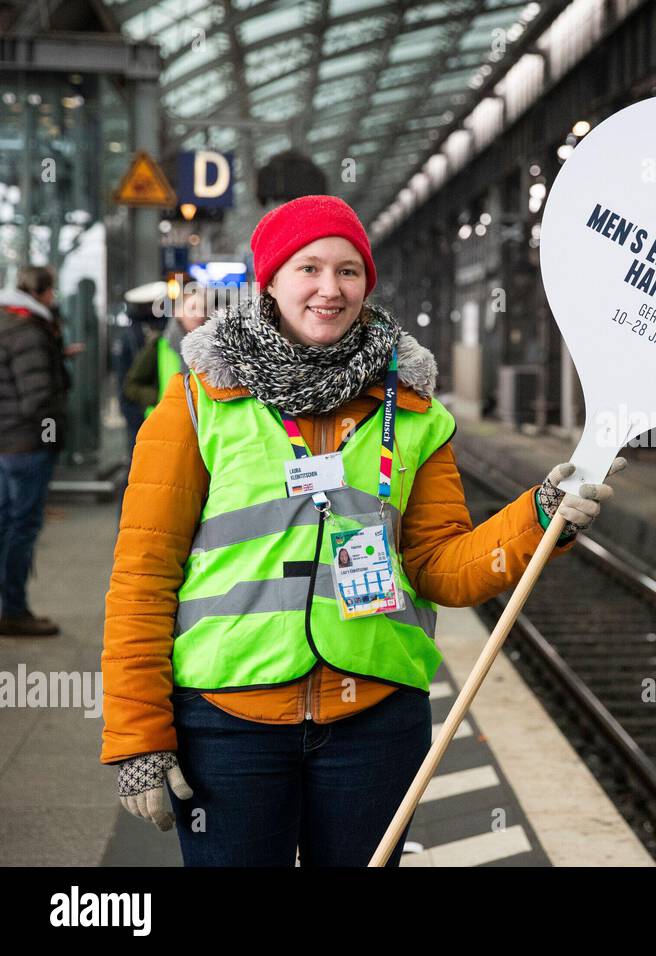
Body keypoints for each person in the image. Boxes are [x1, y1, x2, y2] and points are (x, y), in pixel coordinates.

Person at [101, 195, 625, 866]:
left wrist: (539, 516)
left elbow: (441, 567)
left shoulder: (411, 410)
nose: (330, 288)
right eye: (308, 268)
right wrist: (139, 734)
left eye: (349, 271)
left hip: (375, 724)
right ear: (271, 281)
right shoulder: (201, 401)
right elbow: (143, 573)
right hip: (227, 727)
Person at [0, 266, 71, 636]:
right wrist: (49, 443)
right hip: (27, 445)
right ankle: (13, 609)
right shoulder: (29, 329)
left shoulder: (6, 322)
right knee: (23, 526)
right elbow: (39, 399)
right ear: (41, 292)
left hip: (6, 444)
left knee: (5, 523)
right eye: (52, 292)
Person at [124, 286, 208, 415]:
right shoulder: (159, 344)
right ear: (178, 312)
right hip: (165, 422)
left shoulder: (212, 347)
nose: (199, 314)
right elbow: (131, 385)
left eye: (203, 309)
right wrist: (160, 398)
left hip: (201, 424)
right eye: (192, 308)